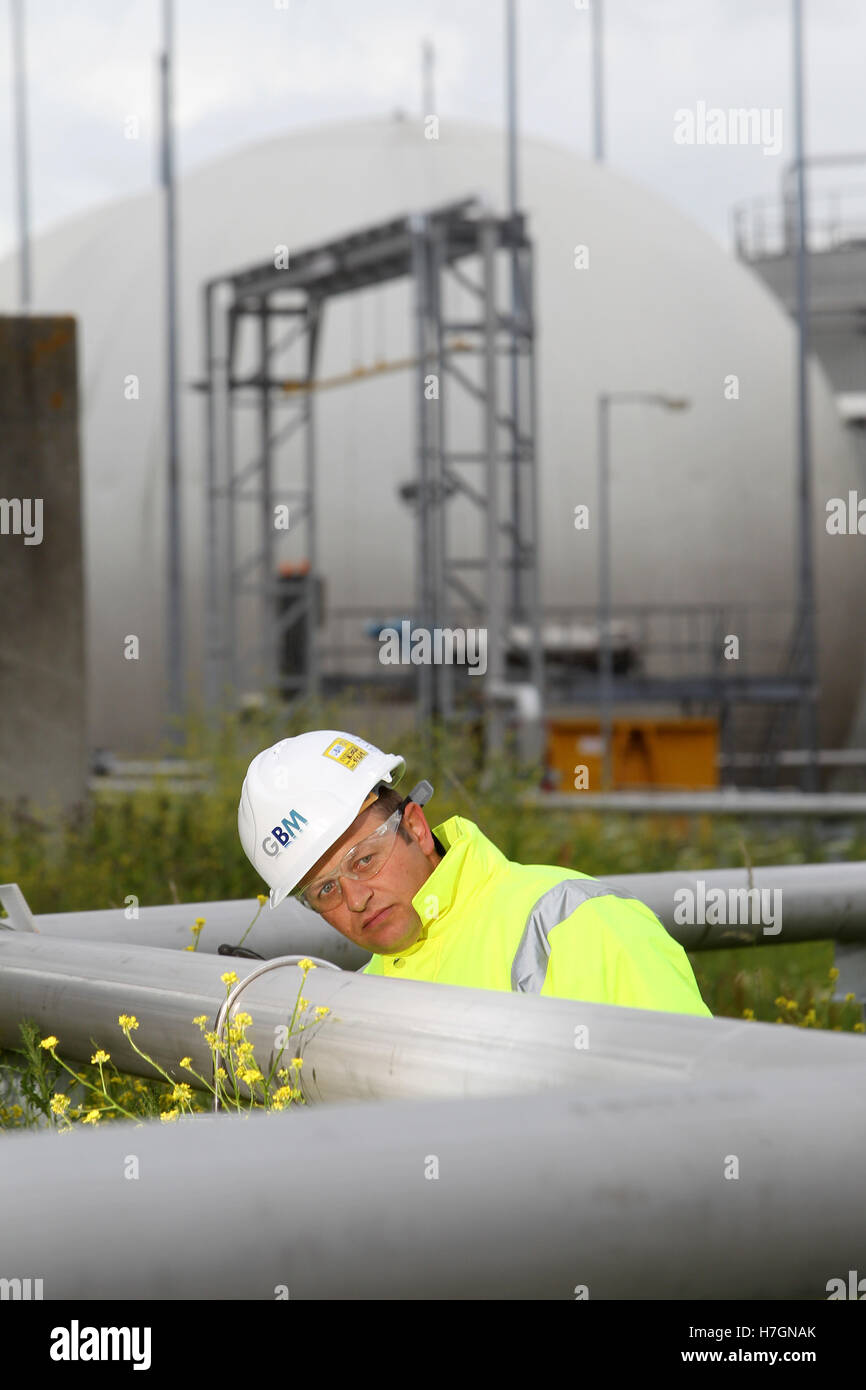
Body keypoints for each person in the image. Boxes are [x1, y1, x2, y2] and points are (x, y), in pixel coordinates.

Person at [238, 728, 711, 1016]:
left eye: (364, 860)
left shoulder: (576, 924)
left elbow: (698, 1108)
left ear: (417, 828)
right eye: (325, 891)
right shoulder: (359, 992)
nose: (356, 900)